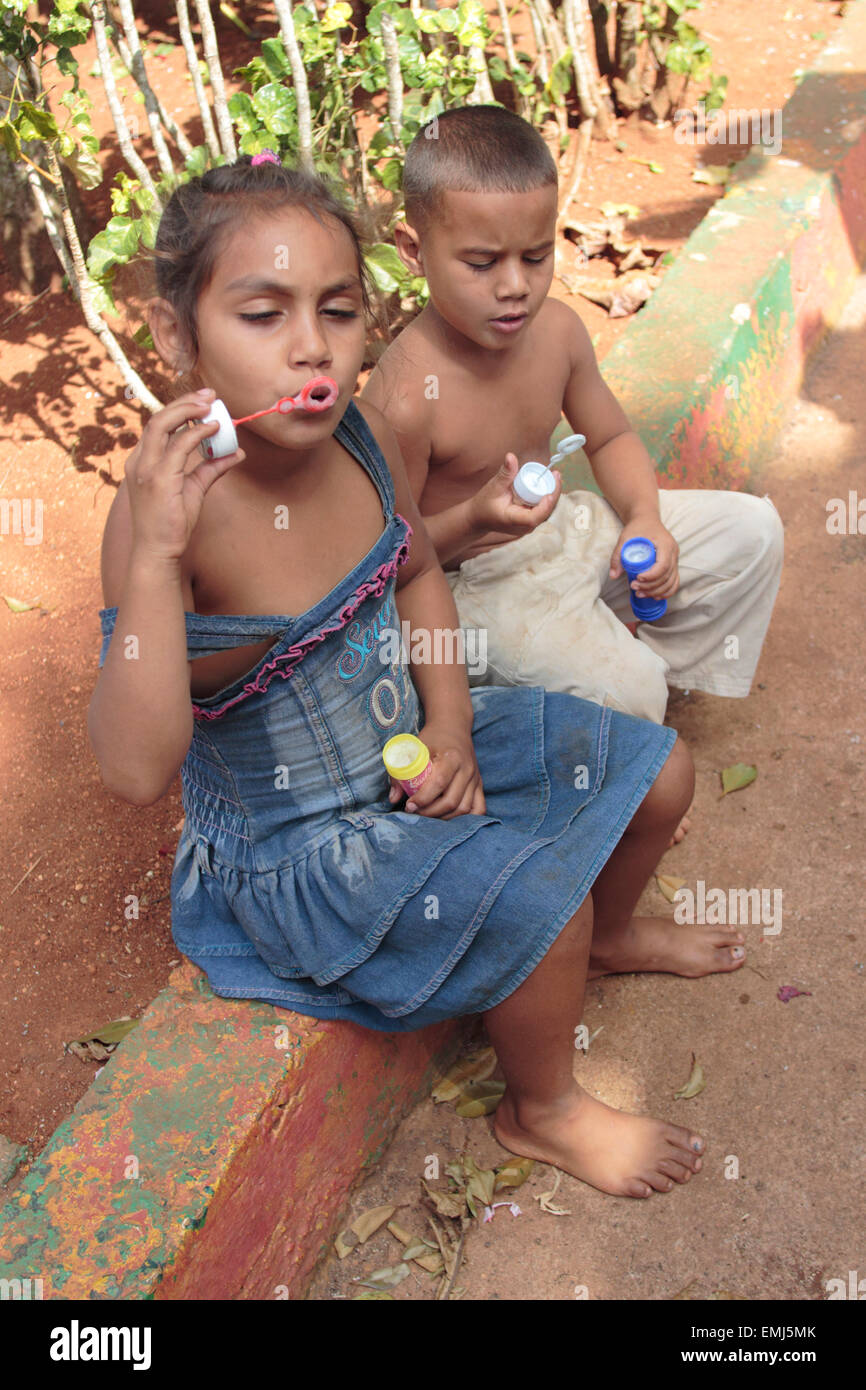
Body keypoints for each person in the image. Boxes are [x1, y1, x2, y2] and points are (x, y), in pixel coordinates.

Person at [88, 153, 745, 1200]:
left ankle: (613, 933)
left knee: (660, 774)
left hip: (412, 753)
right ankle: (544, 1110)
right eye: (262, 314)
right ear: (177, 337)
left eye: (337, 311)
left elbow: (418, 567)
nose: (310, 346)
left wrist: (447, 723)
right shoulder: (168, 517)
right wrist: (157, 562)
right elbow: (132, 766)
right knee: (540, 896)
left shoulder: (354, 436)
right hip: (305, 849)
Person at [362, 105, 784, 735]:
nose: (516, 287)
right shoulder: (404, 396)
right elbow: (395, 561)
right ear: (413, 251)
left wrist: (646, 519)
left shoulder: (556, 331)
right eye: (482, 264)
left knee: (750, 532)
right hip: (476, 590)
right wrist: (476, 517)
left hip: (570, 531)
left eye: (535, 257)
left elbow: (611, 435)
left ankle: (641, 692)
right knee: (625, 689)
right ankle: (625, 732)